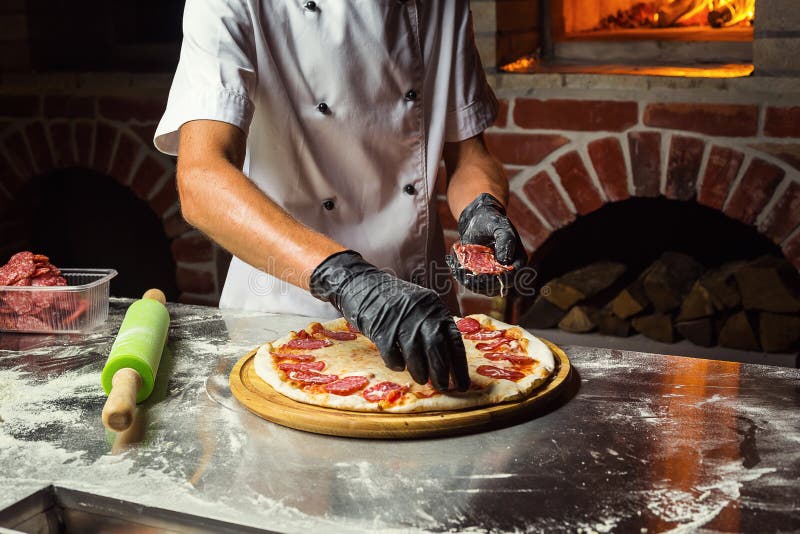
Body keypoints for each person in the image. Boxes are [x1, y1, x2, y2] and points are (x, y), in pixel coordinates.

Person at [154, 0, 527, 391]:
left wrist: (482, 208)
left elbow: (470, 155)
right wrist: (345, 279)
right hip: (286, 313)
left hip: (422, 316)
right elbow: (201, 178)